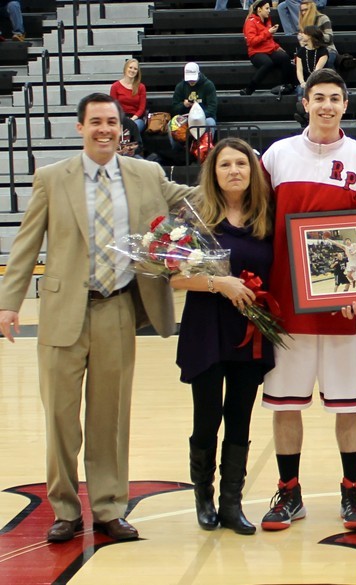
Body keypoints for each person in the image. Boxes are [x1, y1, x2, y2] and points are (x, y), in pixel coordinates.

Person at [0, 93, 199, 543]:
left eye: (112, 122)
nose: (105, 129)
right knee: (61, 418)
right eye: (96, 122)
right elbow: (26, 243)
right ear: (80, 127)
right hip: (62, 312)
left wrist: (244, 173)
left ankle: (110, 507)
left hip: (116, 308)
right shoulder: (52, 179)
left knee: (109, 418)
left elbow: (191, 200)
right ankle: (65, 510)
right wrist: (9, 302)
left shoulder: (146, 174)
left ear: (121, 129)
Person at [258, 68, 356, 532]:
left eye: (335, 98)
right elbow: (259, 224)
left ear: (346, 105)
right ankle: (289, 493)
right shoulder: (276, 157)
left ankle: (352, 492)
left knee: (348, 404)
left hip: (343, 306)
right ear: (306, 103)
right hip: (286, 305)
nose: (327, 106)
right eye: (319, 98)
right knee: (285, 403)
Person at [170, 138, 274, 536]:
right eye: (225, 164)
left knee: (240, 419)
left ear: (253, 172)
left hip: (251, 330)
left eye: (242, 164)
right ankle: (204, 499)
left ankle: (232, 504)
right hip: (207, 329)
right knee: (207, 416)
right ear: (213, 173)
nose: (234, 171)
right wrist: (219, 283)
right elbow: (176, 278)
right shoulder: (196, 217)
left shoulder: (266, 217)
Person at [242, 0, 296, 97]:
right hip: (256, 52)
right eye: (266, 8)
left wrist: (277, 47)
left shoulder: (267, 20)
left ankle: (284, 85)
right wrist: (268, 32)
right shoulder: (250, 22)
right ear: (259, 9)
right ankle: (249, 89)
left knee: (285, 57)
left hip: (269, 50)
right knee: (267, 63)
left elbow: (269, 40)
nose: (269, 11)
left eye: (269, 8)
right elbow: (252, 42)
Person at [170, 62, 218, 149]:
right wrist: (183, 105)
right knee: (172, 124)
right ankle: (178, 152)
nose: (191, 81)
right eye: (189, 79)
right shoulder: (180, 86)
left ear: (199, 74)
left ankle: (206, 149)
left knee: (210, 122)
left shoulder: (208, 85)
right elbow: (174, 108)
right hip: (185, 118)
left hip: (204, 117)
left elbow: (212, 107)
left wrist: (199, 116)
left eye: (193, 79)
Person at [110, 59, 147, 135]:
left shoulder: (141, 87)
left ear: (137, 72)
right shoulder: (115, 86)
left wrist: (132, 119)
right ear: (125, 68)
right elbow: (113, 107)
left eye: (135, 69)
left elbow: (141, 108)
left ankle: (128, 144)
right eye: (130, 67)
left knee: (133, 127)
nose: (132, 70)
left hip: (136, 118)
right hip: (120, 118)